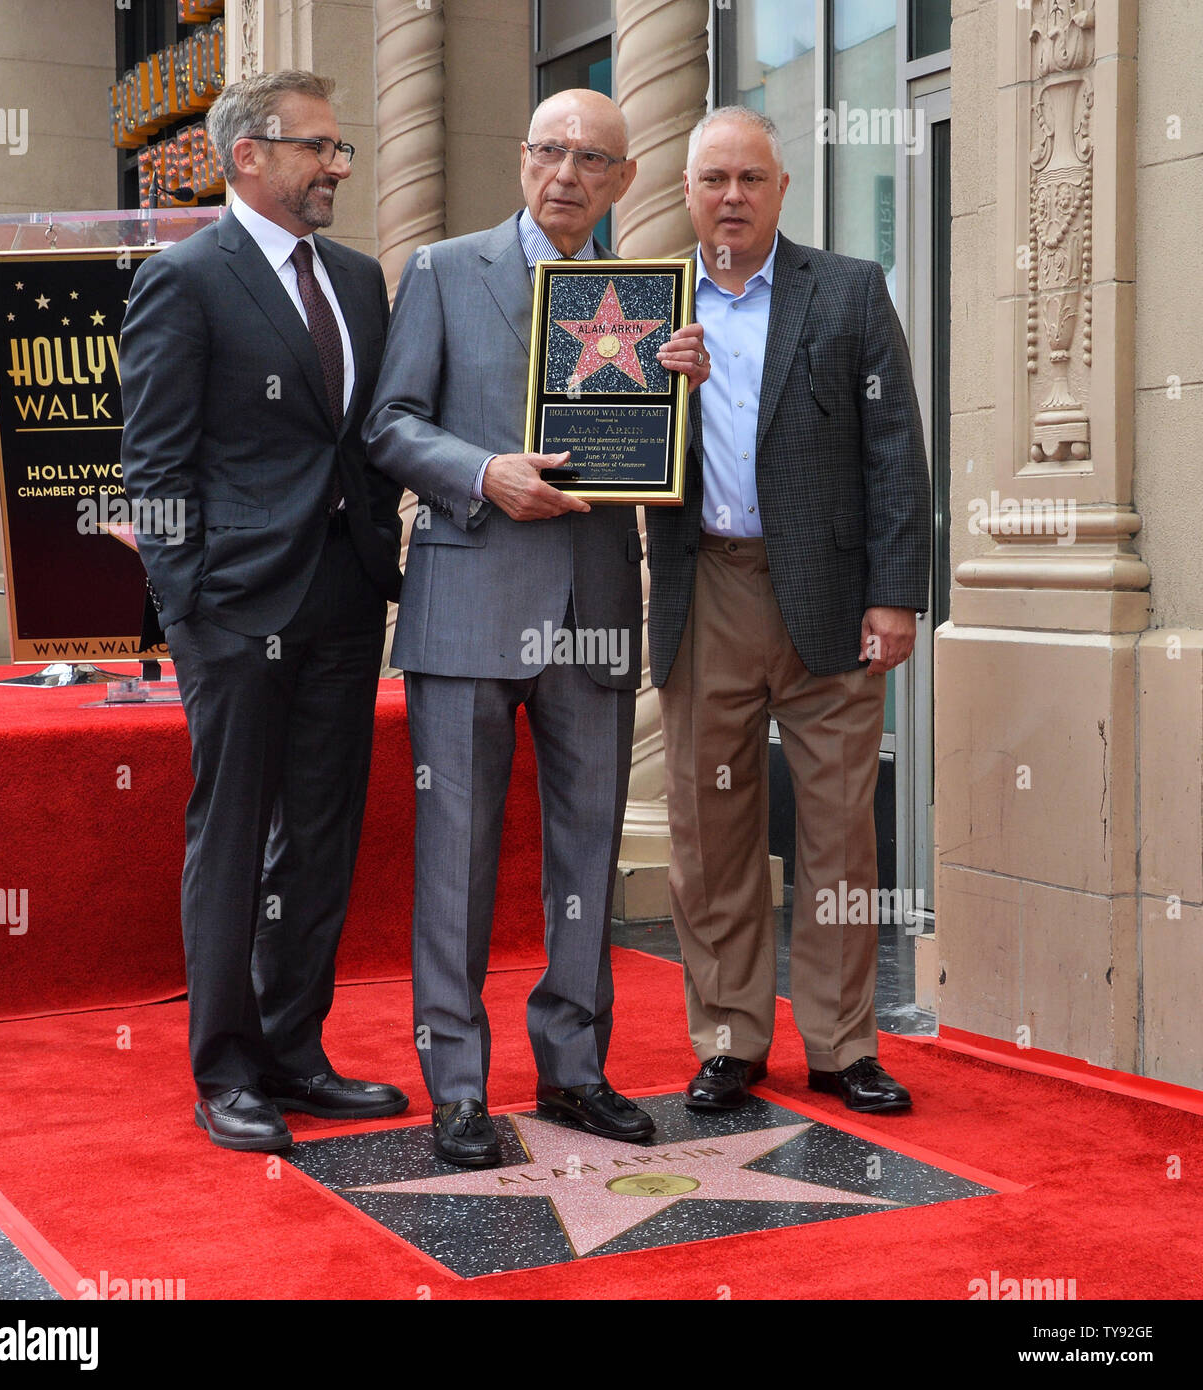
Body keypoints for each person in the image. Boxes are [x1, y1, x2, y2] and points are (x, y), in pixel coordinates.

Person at [366, 88, 709, 1167]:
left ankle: (572, 1069)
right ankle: (457, 1088)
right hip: (466, 600)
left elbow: (674, 468)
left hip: (594, 614)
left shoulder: (647, 303)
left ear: (623, 179)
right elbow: (386, 424)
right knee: (456, 862)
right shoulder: (439, 269)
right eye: (549, 150)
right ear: (522, 159)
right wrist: (481, 472)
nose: (566, 172)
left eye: (591, 158)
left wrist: (684, 393)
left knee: (585, 854)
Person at [120, 70, 408, 1151]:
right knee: (234, 837)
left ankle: (294, 1052)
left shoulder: (358, 275)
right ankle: (225, 1069)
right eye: (319, 147)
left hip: (342, 596)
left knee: (322, 839)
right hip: (234, 610)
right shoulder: (185, 279)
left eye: (339, 149)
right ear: (249, 155)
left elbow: (365, 434)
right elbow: (153, 461)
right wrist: (188, 604)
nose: (338, 165)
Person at [646, 107, 931, 1115]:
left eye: (750, 178)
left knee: (838, 836)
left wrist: (895, 596)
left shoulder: (847, 291)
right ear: (684, 191)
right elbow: (598, 450)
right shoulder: (640, 306)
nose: (731, 195)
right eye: (712, 178)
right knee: (708, 831)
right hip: (703, 588)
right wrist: (650, 382)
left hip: (830, 599)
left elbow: (894, 451)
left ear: (779, 188)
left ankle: (843, 1043)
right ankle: (727, 1037)